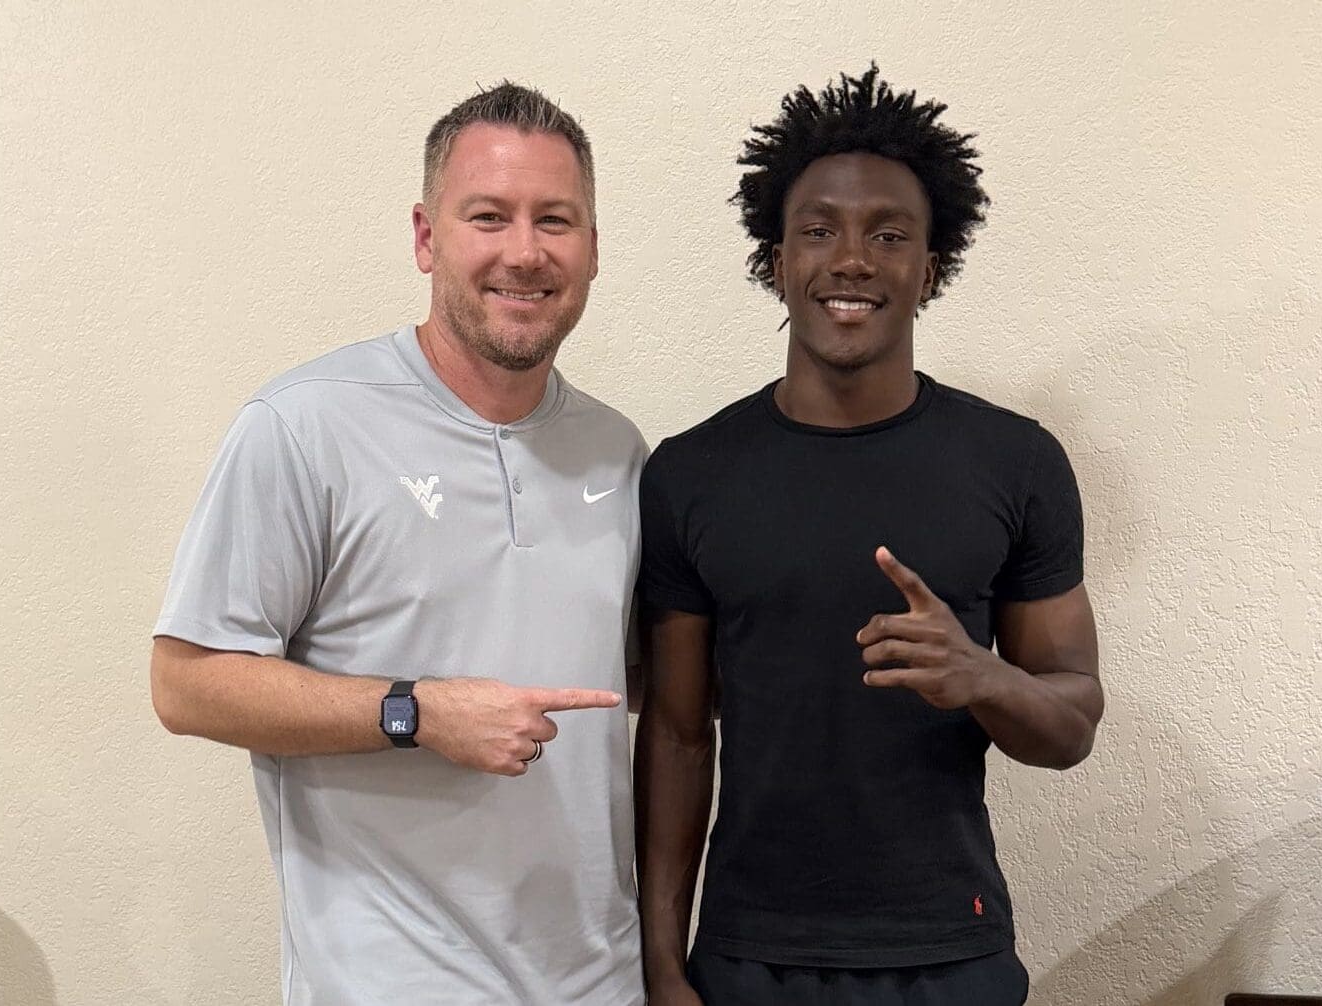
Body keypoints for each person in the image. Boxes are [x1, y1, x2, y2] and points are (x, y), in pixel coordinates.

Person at [151, 82, 646, 1006]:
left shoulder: (618, 452)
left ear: (592, 245)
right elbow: (185, 683)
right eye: (488, 217)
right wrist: (414, 712)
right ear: (426, 237)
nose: (525, 252)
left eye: (556, 220)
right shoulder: (304, 427)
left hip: (597, 982)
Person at [635, 65, 1102, 1006]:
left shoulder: (1016, 462)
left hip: (949, 953)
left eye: (889, 235)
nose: (852, 260)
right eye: (819, 231)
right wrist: (659, 961)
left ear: (929, 270)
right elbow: (679, 736)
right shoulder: (690, 473)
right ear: (777, 262)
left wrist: (983, 675)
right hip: (748, 957)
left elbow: (1073, 725)